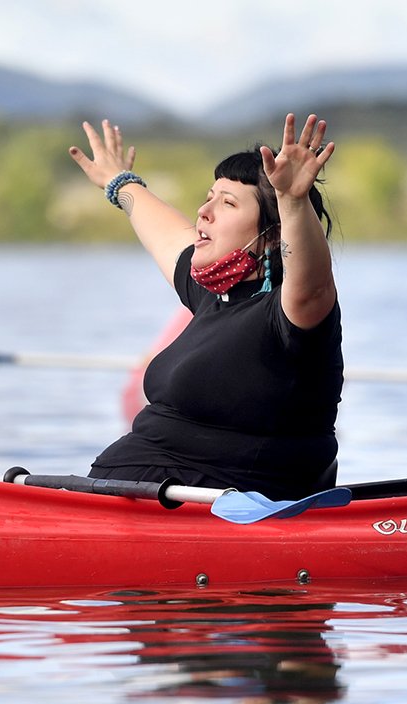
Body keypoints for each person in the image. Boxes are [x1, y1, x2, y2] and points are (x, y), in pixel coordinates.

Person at [69, 113, 343, 501]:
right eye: (209, 197)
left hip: (222, 518)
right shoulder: (210, 296)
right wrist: (120, 182)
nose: (204, 210)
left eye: (228, 203)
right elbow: (164, 230)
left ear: (271, 236)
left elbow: (312, 285)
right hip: (126, 501)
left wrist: (293, 201)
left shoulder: (293, 314)